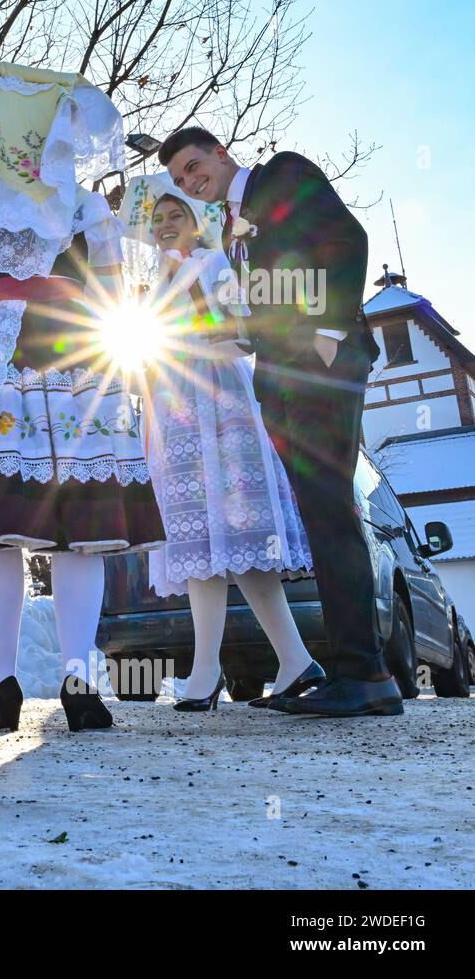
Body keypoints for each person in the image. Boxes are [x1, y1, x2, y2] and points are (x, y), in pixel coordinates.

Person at [0, 60, 165, 732]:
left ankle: (1, 688)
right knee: (77, 530)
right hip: (74, 352)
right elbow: (111, 292)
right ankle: (80, 684)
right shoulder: (83, 205)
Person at [159, 128, 395, 718]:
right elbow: (263, 309)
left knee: (332, 508)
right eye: (181, 181)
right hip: (279, 376)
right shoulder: (229, 229)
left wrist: (330, 332)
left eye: (193, 167)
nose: (191, 183)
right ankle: (351, 670)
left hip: (323, 367)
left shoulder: (281, 175)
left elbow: (346, 238)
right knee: (321, 511)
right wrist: (231, 333)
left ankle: (364, 675)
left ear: (219, 152)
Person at [119, 174, 323, 710]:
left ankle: (211, 673)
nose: (164, 226)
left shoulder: (211, 264)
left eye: (175, 216)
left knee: (220, 538)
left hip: (215, 407)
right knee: (206, 543)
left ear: (198, 220)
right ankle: (290, 661)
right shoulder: (158, 279)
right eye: (158, 219)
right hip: (174, 414)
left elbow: (237, 333)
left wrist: (189, 319)